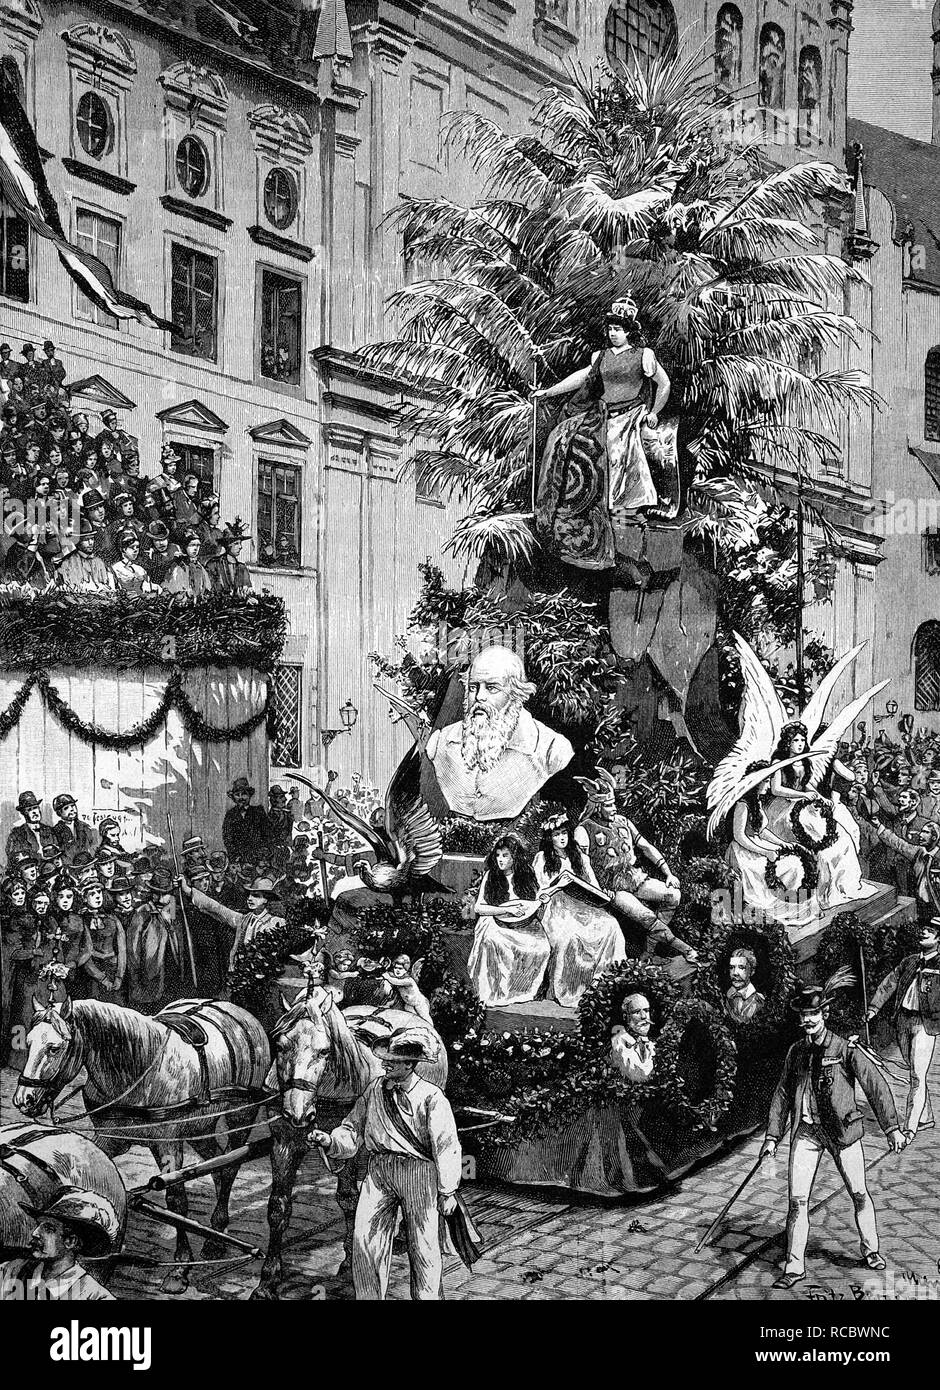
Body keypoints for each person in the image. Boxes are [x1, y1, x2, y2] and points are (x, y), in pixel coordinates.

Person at [759, 981, 905, 1289]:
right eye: (803, 1014)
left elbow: (875, 1085)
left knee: (859, 1193)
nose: (808, 1020)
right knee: (797, 1201)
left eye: (814, 1013)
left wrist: (891, 1128)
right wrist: (772, 1136)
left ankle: (871, 1249)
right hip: (807, 1133)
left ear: (824, 1013)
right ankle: (794, 1266)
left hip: (843, 1132)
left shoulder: (844, 1048)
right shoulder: (797, 1052)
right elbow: (783, 1093)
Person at [307, 1028, 461, 1301]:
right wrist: (330, 1140)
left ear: (410, 1064)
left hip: (419, 1173)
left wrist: (447, 1190)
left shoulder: (431, 1096)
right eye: (385, 1058)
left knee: (423, 1246)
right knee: (365, 1241)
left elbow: (446, 1145)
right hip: (379, 1171)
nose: (385, 1063)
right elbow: (352, 1128)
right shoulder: (375, 1089)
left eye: (392, 1059)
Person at [533, 295, 675, 568]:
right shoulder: (600, 357)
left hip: (630, 416)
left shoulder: (644, 356)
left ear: (629, 331)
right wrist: (548, 392)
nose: (613, 333)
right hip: (602, 415)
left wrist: (654, 412)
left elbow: (664, 383)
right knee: (565, 440)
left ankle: (622, 516)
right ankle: (577, 506)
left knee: (615, 451)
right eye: (610, 329)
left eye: (618, 329)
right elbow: (580, 378)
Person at [422, 645, 573, 822]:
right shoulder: (440, 742)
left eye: (492, 688)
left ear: (515, 694)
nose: (479, 697)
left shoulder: (551, 748)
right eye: (473, 688)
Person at [578, 769, 697, 964]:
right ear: (597, 807)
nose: (614, 808)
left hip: (634, 876)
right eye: (608, 805)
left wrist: (668, 873)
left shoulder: (623, 822)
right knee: (647, 917)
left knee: (673, 895)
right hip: (611, 887)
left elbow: (645, 846)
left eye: (614, 803)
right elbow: (585, 865)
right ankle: (684, 949)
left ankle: (647, 954)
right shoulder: (583, 830)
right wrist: (598, 892)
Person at [533, 809, 626, 1007]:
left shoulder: (580, 857)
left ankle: (607, 982)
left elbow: (593, 886)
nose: (561, 838)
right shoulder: (542, 859)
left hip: (581, 906)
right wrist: (559, 884)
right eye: (556, 835)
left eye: (564, 833)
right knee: (567, 937)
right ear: (550, 838)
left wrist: (604, 894)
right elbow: (540, 894)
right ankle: (570, 989)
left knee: (611, 925)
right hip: (556, 908)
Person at [866, 918, 940, 1143]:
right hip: (903, 1021)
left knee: (917, 1076)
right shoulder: (909, 962)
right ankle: (925, 1116)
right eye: (925, 928)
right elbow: (889, 983)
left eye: (931, 930)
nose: (924, 932)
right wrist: (874, 1007)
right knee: (914, 1073)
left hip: (925, 1025)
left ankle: (909, 1128)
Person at [724, 760, 816, 928]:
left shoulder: (757, 802)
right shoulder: (742, 804)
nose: (768, 784)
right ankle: (765, 911)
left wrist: (781, 843)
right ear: (756, 782)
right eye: (766, 780)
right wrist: (765, 851)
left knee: (794, 864)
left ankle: (791, 904)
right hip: (743, 851)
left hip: (757, 843)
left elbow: (762, 830)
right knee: (766, 867)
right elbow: (739, 836)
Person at [467, 835, 549, 1007]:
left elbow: (536, 899)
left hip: (525, 924)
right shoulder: (491, 875)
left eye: (505, 855)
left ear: (515, 857)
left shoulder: (527, 874)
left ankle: (523, 992)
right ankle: (496, 994)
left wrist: (542, 899)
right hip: (496, 922)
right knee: (491, 941)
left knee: (542, 947)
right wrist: (506, 909)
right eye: (497, 855)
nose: (500, 860)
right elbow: (479, 907)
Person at [0, 1188, 118, 1301]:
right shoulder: (8, 1272)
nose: (35, 1233)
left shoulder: (95, 1296)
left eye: (48, 1228)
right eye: (38, 1225)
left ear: (71, 1242)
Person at [179, 872, 282, 973]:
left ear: (266, 899)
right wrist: (188, 890)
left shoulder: (275, 922)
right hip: (242, 973)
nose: (249, 899)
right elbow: (216, 908)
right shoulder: (243, 919)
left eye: (256, 896)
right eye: (249, 895)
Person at [124, 867, 186, 1011]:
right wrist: (137, 980)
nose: (167, 897)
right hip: (151, 974)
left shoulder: (172, 908)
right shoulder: (142, 913)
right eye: (162, 894)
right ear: (154, 894)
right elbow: (133, 952)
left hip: (172, 968)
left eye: (168, 893)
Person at [77, 880, 125, 1001]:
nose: (97, 896)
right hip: (92, 973)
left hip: (113, 970)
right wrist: (101, 978)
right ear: (84, 898)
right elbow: (85, 952)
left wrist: (119, 976)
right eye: (92, 894)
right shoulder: (82, 921)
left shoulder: (113, 918)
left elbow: (122, 949)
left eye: (98, 892)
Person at [609, 992, 657, 1083]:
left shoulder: (651, 1045)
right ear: (625, 1016)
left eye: (646, 1010)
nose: (644, 1016)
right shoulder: (617, 1045)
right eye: (637, 1012)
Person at [222, 776, 270, 863]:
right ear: (233, 797)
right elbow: (227, 838)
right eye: (237, 795)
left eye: (244, 794)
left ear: (249, 795)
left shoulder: (259, 812)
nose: (241, 798)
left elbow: (267, 835)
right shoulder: (230, 815)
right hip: (238, 859)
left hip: (258, 859)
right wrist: (235, 855)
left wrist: (261, 854)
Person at [6, 790, 56, 865]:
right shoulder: (17, 834)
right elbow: (14, 859)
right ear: (23, 813)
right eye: (29, 809)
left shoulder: (50, 830)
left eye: (35, 807)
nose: (34, 812)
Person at [163, 529, 212, 597]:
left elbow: (207, 585)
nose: (195, 548)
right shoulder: (179, 567)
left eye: (198, 545)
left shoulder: (199, 566)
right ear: (185, 546)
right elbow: (176, 588)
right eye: (192, 545)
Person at [206, 520, 252, 592]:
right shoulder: (214, 564)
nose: (240, 547)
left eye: (240, 543)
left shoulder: (242, 568)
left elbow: (247, 589)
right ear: (228, 545)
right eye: (236, 543)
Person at [725, 947, 766, 1023]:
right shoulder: (727, 998)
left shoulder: (760, 1001)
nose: (735, 973)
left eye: (741, 967)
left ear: (752, 971)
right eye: (731, 967)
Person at [52, 792, 96, 864]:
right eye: (66, 808)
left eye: (73, 806)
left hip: (85, 865)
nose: (71, 809)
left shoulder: (84, 827)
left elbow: (92, 845)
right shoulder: (56, 831)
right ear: (59, 813)